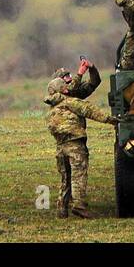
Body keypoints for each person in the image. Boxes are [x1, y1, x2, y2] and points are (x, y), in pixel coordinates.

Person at [44, 58, 118, 218]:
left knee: (65, 178)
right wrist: (112, 120)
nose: (69, 80)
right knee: (78, 175)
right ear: (62, 88)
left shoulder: (51, 108)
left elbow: (92, 83)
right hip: (75, 144)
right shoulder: (70, 101)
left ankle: (61, 210)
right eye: (65, 79)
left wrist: (89, 69)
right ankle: (79, 206)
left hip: (60, 146)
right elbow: (89, 110)